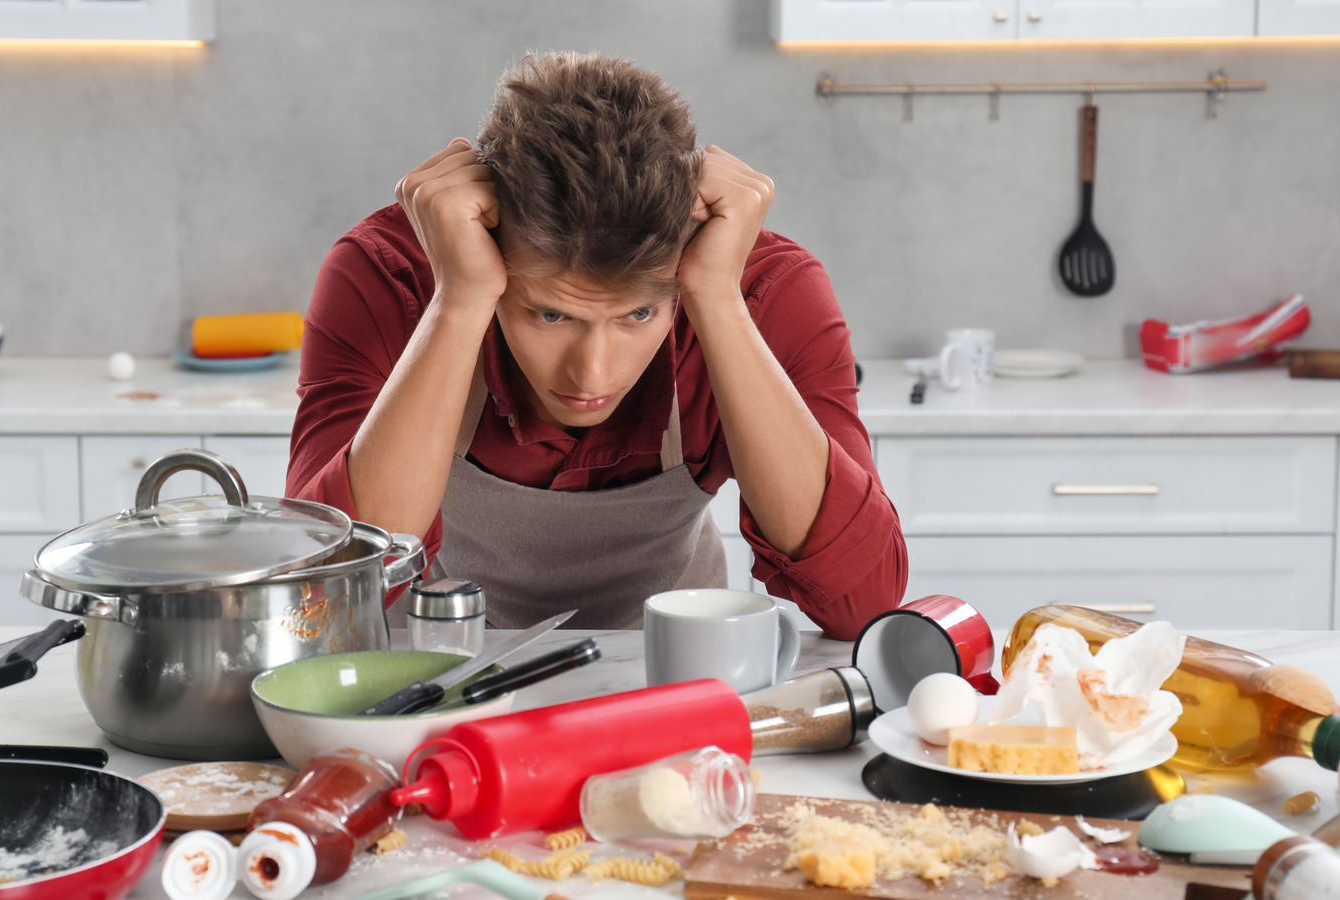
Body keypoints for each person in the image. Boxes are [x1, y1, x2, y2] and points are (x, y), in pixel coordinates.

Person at [288, 51, 905, 640]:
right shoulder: (391, 275)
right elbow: (316, 599)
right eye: (550, 314)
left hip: (669, 677)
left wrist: (717, 298)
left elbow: (865, 601)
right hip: (436, 671)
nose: (592, 375)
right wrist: (459, 300)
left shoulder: (761, 288)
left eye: (639, 312)